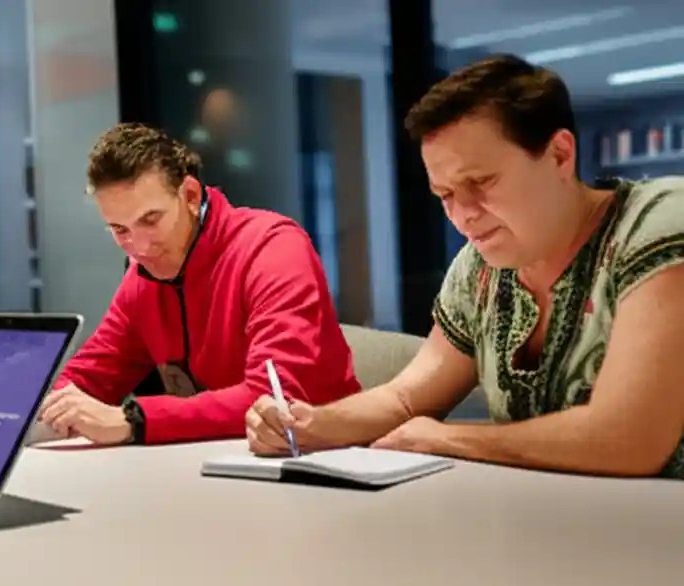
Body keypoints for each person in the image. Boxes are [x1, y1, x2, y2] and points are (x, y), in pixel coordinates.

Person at [247, 54, 684, 478]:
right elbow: (405, 399)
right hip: (556, 525)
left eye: (481, 182)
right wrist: (311, 425)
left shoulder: (657, 227)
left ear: (559, 155)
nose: (463, 214)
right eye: (446, 194)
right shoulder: (481, 268)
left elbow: (630, 438)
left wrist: (448, 439)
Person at [39, 122, 360, 445]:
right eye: (120, 230)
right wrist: (38, 411)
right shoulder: (140, 277)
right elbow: (88, 377)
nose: (139, 247)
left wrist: (134, 421)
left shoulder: (273, 249)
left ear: (190, 195)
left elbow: (274, 399)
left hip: (318, 461)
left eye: (150, 220)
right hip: (208, 464)